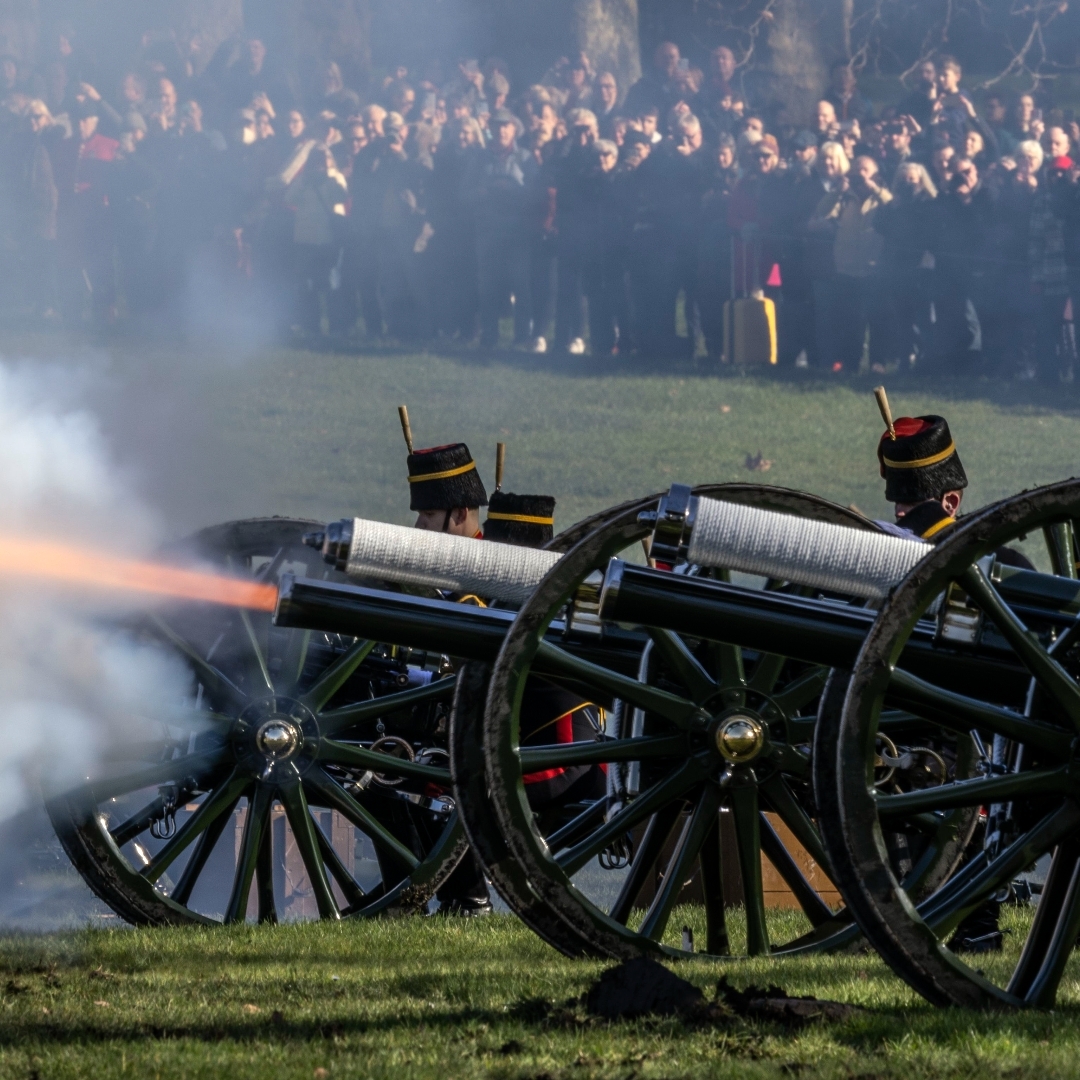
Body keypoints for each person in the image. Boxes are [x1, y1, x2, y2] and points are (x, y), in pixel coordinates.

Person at [468, 107, 536, 349]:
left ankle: (522, 335)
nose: (501, 130)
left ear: (514, 129)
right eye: (496, 126)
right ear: (490, 129)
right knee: (487, 285)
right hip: (488, 230)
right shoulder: (478, 158)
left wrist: (514, 191)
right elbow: (464, 193)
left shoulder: (526, 158)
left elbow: (537, 193)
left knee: (521, 285)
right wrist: (482, 192)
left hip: (518, 231)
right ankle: (489, 335)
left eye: (506, 125)